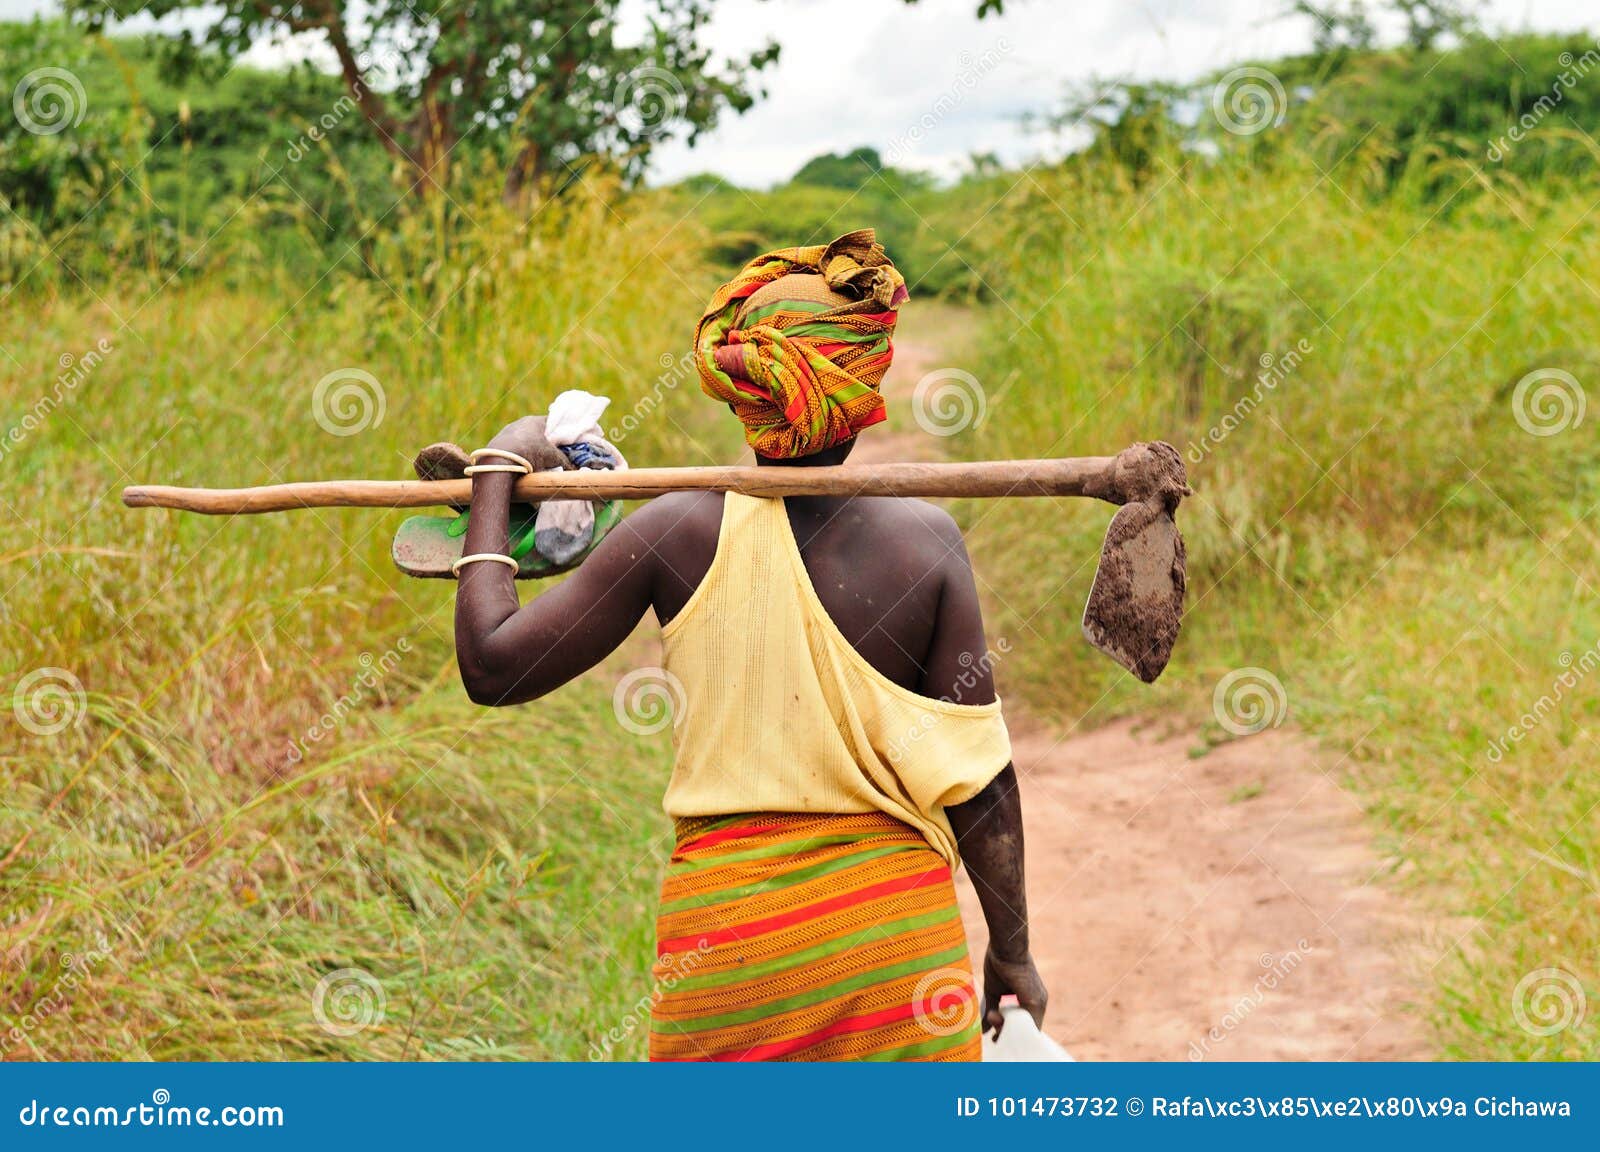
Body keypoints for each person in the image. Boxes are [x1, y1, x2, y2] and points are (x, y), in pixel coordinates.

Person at [453, 229, 1045, 1062]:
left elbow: (493, 665)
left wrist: (494, 476)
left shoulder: (671, 531)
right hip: (897, 955)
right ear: (865, 382)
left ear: (740, 390)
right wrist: (1012, 952)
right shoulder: (929, 545)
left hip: (726, 953)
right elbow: (982, 784)